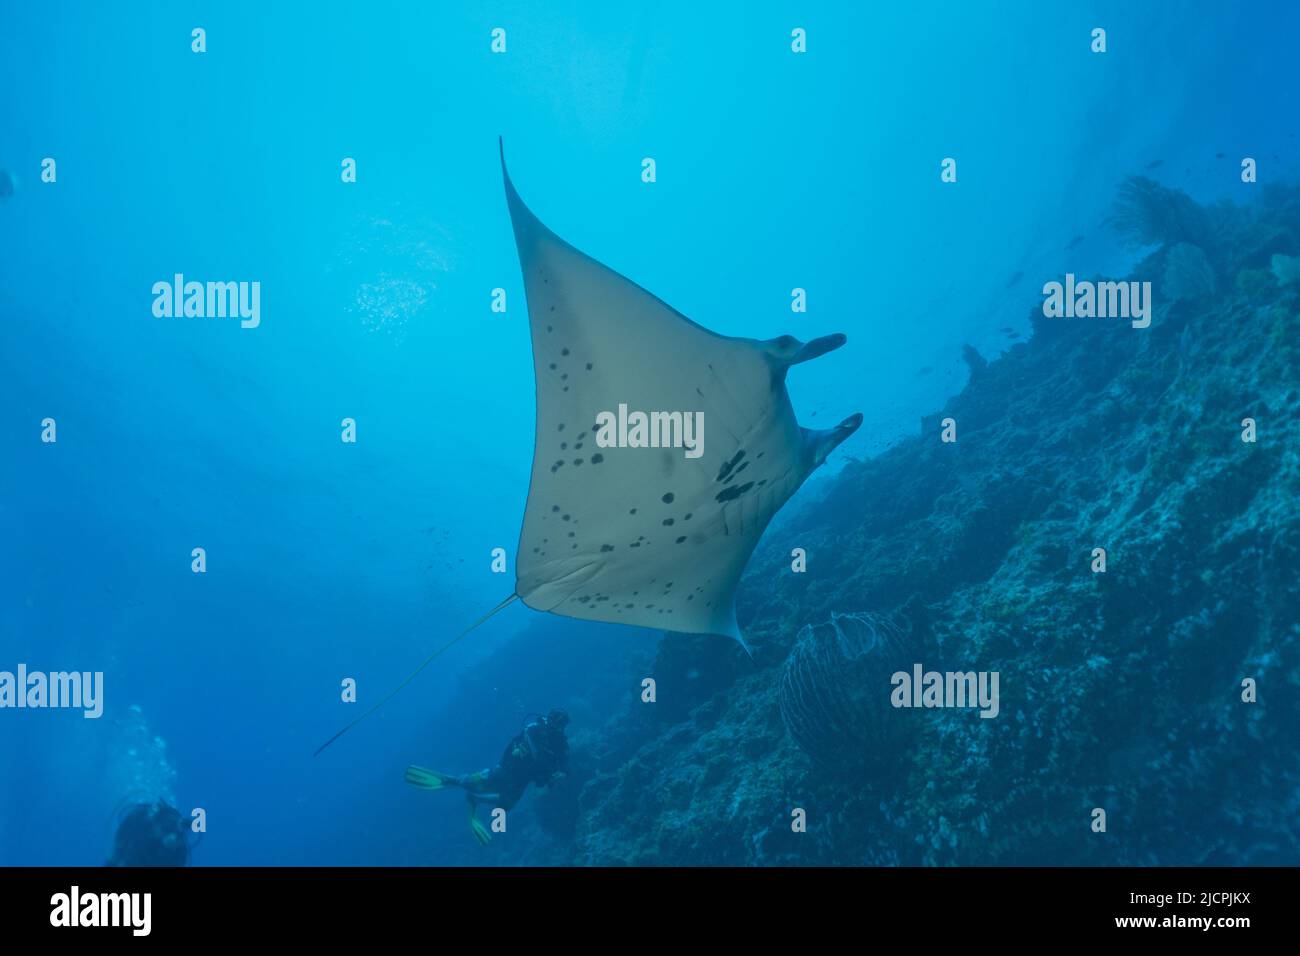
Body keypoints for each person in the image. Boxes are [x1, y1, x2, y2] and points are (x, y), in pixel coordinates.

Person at [406, 709, 570, 844]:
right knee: (477, 780)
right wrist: (548, 766)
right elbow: (534, 747)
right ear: (549, 719)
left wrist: (558, 774)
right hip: (507, 767)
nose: (558, 726)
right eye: (556, 721)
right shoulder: (535, 728)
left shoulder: (560, 743)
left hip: (524, 778)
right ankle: (453, 780)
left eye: (561, 723)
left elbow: (563, 764)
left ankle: (476, 801)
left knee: (506, 804)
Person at [106, 800, 191, 866]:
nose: (170, 835)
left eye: (174, 830)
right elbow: (119, 848)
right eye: (166, 827)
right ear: (154, 823)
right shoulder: (136, 829)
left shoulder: (178, 850)